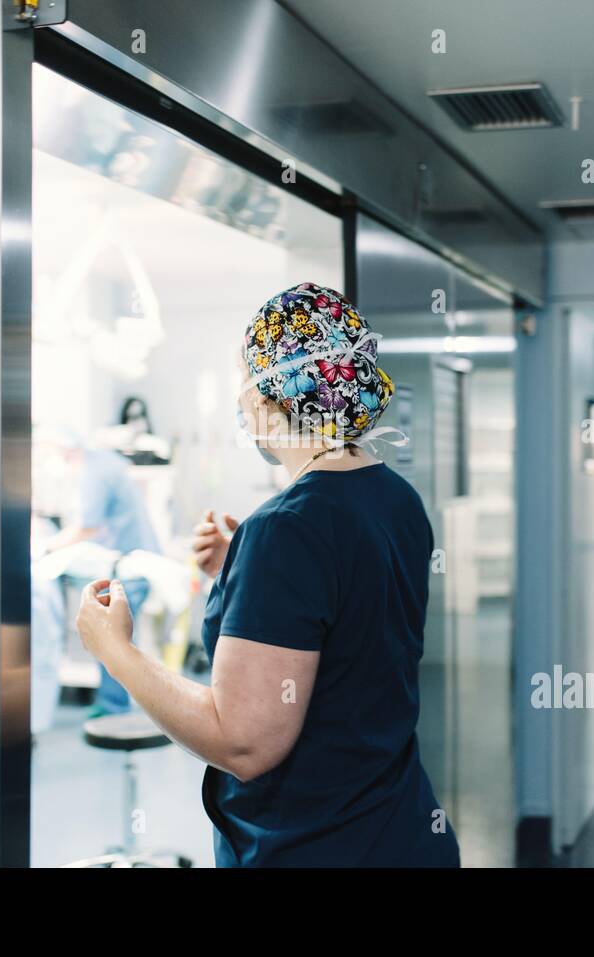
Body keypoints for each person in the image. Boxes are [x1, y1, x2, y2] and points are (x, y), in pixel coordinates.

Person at [74, 281, 459, 867]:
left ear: (273, 394)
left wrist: (115, 651)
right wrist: (240, 572)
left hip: (316, 845)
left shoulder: (288, 529)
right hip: (398, 828)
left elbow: (243, 742)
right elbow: (343, 613)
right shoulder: (393, 498)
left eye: (244, 376)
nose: (241, 396)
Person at [30, 427, 158, 729]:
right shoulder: (104, 462)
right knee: (118, 637)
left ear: (64, 448)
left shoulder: (94, 472)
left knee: (114, 638)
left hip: (125, 566)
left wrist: (46, 546)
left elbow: (89, 527)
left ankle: (115, 712)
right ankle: (115, 706)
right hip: (129, 561)